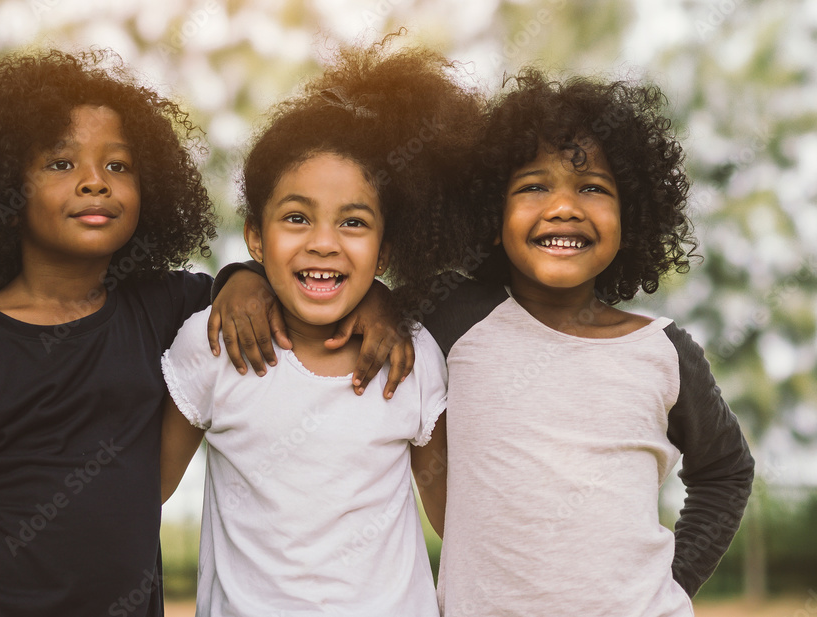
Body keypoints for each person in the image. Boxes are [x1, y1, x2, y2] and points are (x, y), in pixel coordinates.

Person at [0, 48, 219, 617]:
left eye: (119, 166)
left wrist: (247, 283)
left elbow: (251, 290)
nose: (95, 182)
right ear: (6, 198)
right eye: (61, 164)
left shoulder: (161, 307)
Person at [158, 42, 481, 616]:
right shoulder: (212, 345)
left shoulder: (411, 355)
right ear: (255, 238)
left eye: (353, 222)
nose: (324, 242)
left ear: (384, 252)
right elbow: (141, 495)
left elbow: (457, 519)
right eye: (297, 217)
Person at [417, 69, 755, 616]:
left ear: (631, 215)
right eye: (533, 186)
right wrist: (255, 282)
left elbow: (727, 470)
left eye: (593, 187)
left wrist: (673, 584)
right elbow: (349, 297)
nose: (564, 207)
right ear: (491, 215)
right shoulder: (454, 315)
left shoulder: (664, 352)